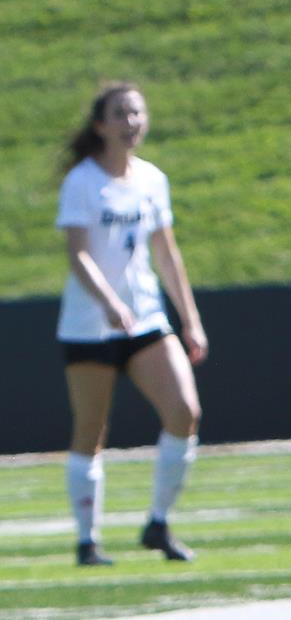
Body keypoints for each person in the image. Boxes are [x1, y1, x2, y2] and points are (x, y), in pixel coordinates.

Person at [56, 83, 207, 568]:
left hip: (145, 318)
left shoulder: (152, 179)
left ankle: (158, 523)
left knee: (184, 411)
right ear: (100, 125)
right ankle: (87, 542)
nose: (131, 122)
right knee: (90, 430)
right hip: (91, 325)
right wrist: (108, 302)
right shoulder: (82, 181)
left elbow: (167, 254)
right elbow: (78, 254)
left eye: (137, 112)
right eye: (120, 114)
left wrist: (190, 320)